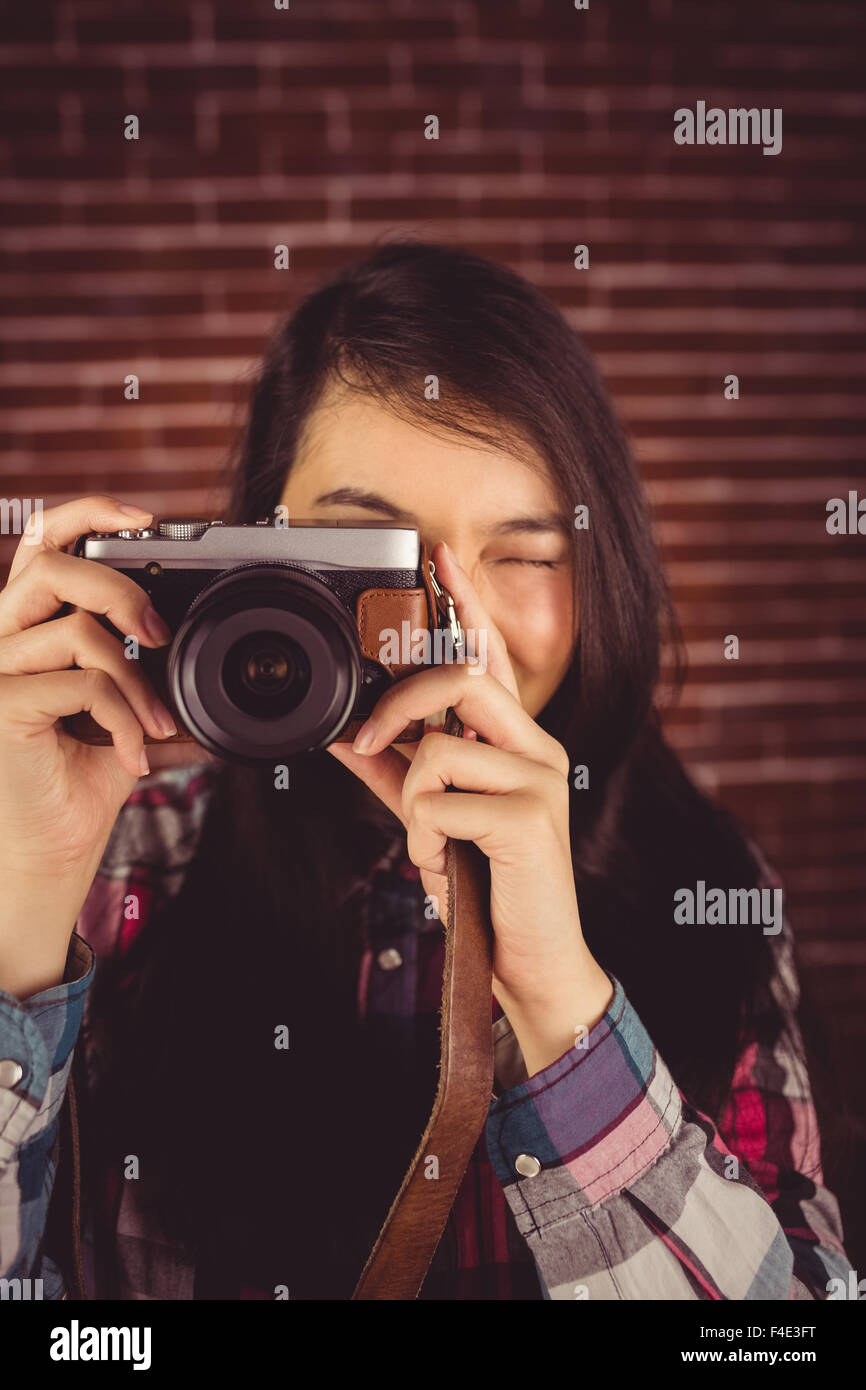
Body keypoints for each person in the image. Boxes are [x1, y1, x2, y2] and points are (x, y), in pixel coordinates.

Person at [0, 240, 853, 1301]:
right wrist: (20, 909)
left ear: (600, 580)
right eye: (370, 549)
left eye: (525, 553)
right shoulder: (118, 867)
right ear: (249, 559)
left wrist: (560, 1003)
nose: (458, 635)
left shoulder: (707, 882)